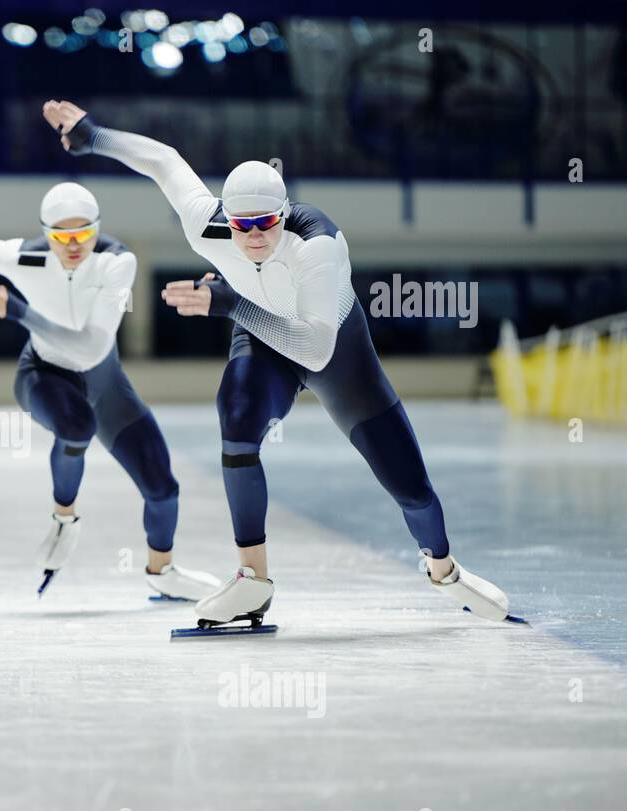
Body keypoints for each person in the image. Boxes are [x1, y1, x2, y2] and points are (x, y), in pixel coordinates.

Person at [41, 99, 513, 627]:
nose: (254, 237)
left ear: (283, 215)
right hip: (263, 339)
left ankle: (443, 570)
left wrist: (229, 303)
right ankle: (252, 579)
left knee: (410, 488)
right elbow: (165, 161)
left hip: (336, 350)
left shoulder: (316, 245)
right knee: (236, 417)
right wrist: (93, 135)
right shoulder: (209, 225)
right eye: (242, 226)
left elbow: (314, 348)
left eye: (266, 223)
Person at [0, 183, 216, 601]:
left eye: (83, 234)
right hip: (44, 375)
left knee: (164, 489)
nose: (74, 245)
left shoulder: (117, 262)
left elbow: (92, 346)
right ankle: (64, 517)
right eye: (61, 236)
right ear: (46, 233)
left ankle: (161, 570)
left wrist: (18, 312)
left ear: (98, 229)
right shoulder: (26, 256)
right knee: (77, 427)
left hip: (105, 380)